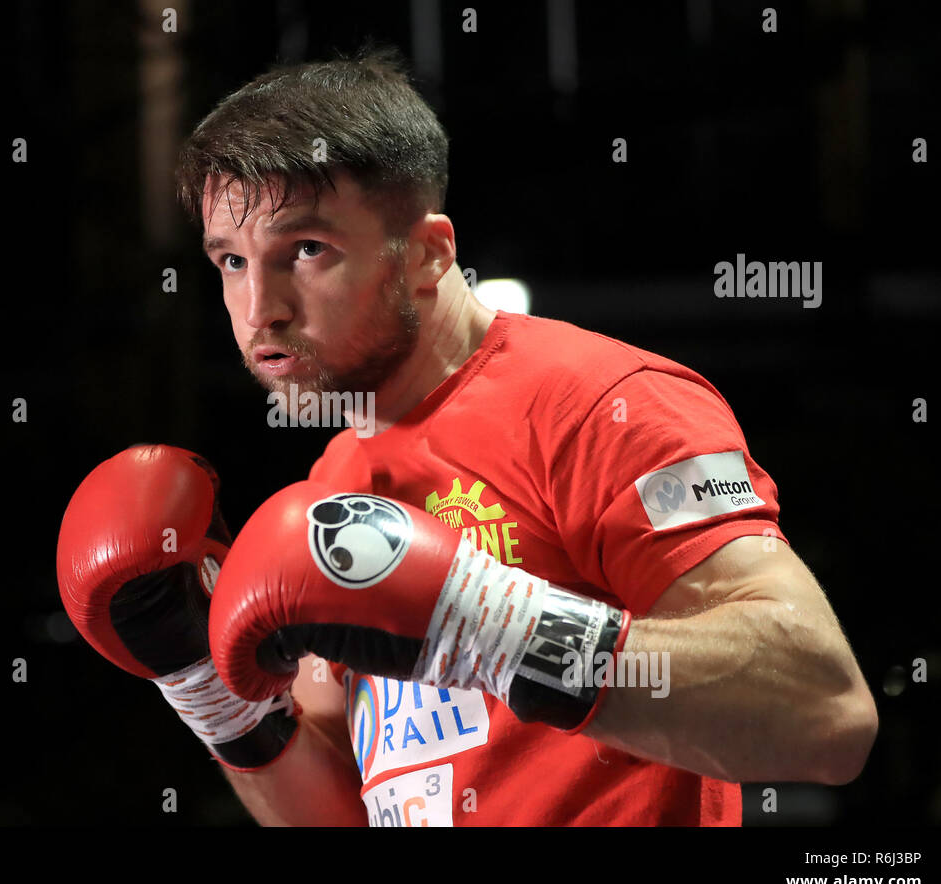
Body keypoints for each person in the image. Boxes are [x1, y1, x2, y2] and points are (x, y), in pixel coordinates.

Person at [57, 47, 877, 826]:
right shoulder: (334, 480)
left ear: (426, 254)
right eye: (231, 261)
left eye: (306, 249)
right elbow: (343, 807)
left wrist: (491, 625)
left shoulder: (602, 405)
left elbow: (824, 711)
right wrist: (208, 692)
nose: (259, 308)